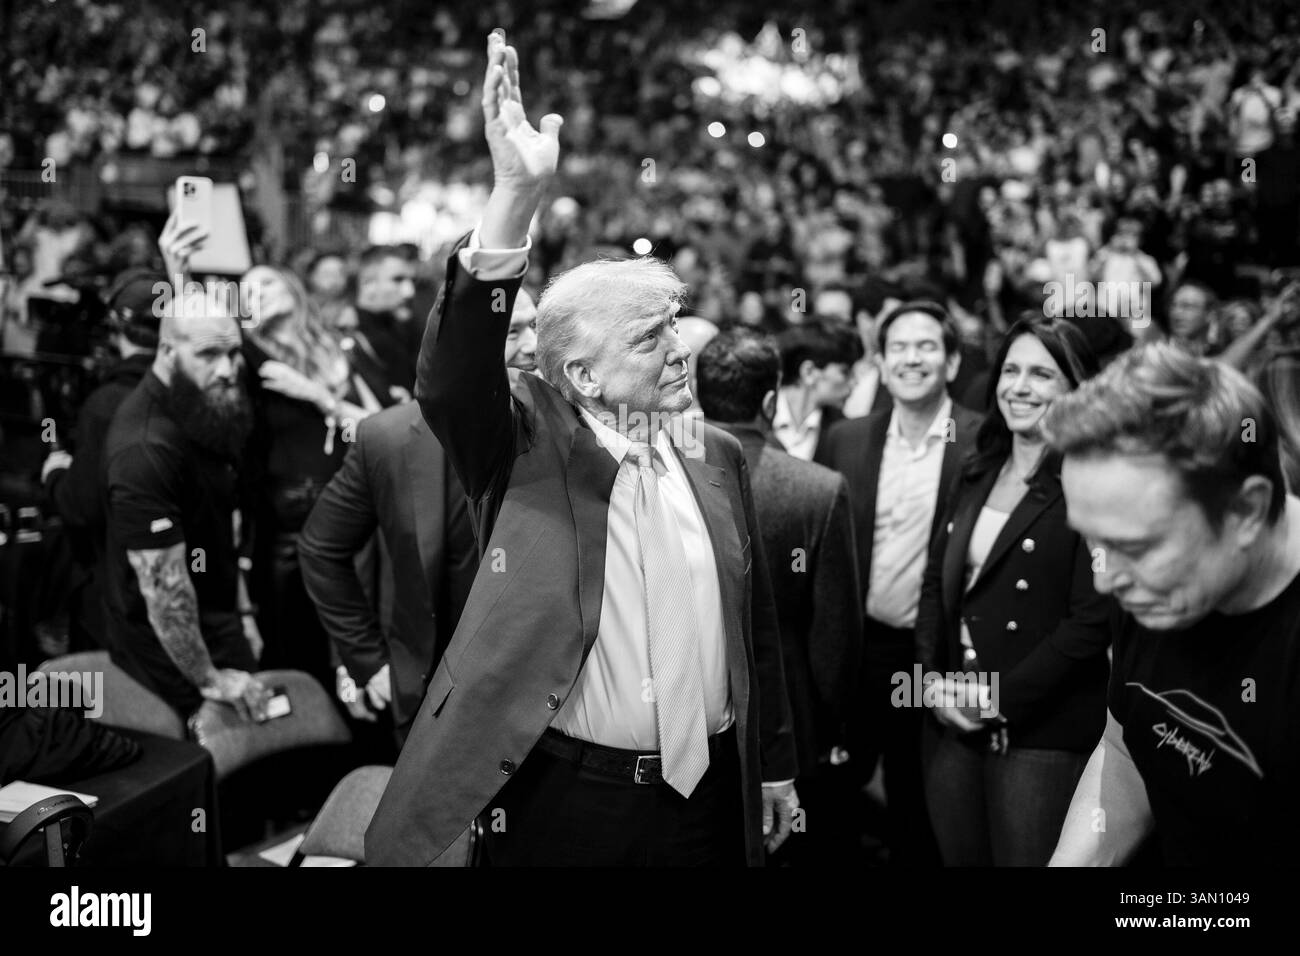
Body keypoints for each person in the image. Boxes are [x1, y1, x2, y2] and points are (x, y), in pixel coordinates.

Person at [366, 31, 797, 867]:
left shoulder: (715, 454)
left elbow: (756, 631)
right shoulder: (530, 445)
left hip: (712, 793)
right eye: (648, 338)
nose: (681, 351)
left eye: (676, 327)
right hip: (574, 803)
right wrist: (513, 200)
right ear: (583, 377)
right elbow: (453, 381)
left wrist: (772, 765)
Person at [1047, 343, 1300, 866]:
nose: (1105, 579)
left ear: (1247, 510)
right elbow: (1125, 748)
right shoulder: (1141, 582)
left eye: (1135, 548)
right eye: (1092, 542)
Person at [297, 289, 541, 747]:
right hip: (432, 695)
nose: (532, 345)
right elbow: (321, 550)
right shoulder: (386, 439)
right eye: (513, 332)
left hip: (540, 696)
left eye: (536, 327)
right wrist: (365, 660)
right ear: (459, 350)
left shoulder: (564, 431)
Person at [915, 316, 1112, 866]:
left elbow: (1091, 623)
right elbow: (937, 583)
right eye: (1011, 370)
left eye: (1042, 375)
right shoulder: (976, 464)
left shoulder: (1093, 475)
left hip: (1041, 734)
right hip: (952, 724)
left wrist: (999, 699)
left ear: (1076, 386)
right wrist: (931, 680)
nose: (1019, 387)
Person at [816, 299, 982, 867]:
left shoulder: (982, 443)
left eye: (927, 347)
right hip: (860, 646)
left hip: (933, 654)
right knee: (837, 789)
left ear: (952, 362)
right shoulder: (847, 439)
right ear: (881, 364)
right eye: (899, 349)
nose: (912, 359)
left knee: (922, 803)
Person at [696, 328, 862, 866]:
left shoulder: (668, 472)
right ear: (771, 400)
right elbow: (835, 635)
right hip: (789, 716)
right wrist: (831, 727)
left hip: (688, 710)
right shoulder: (818, 488)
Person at [101, 286, 269, 721]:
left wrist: (244, 610)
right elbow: (164, 591)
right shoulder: (144, 446)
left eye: (233, 354)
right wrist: (210, 680)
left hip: (220, 617)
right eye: (210, 355)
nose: (229, 370)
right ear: (167, 350)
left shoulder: (197, 403)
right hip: (171, 654)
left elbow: (221, 523)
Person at [240, 265, 380, 692]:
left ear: (290, 285)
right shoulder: (251, 358)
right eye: (245, 292)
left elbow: (383, 424)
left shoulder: (337, 348)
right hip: (287, 527)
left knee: (351, 633)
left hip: (355, 507)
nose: (257, 293)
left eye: (265, 282)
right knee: (297, 640)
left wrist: (317, 394)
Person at [41, 269, 165, 649]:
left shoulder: (106, 404)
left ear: (116, 326)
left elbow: (82, 508)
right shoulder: (191, 393)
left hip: (113, 597)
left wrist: (56, 475)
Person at [772, 320, 858, 461]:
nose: (855, 382)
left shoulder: (844, 431)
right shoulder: (754, 414)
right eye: (845, 372)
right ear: (809, 372)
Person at [348, 245, 419, 405]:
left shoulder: (403, 328)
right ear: (367, 283)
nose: (409, 291)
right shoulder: (347, 338)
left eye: (412, 281)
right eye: (397, 280)